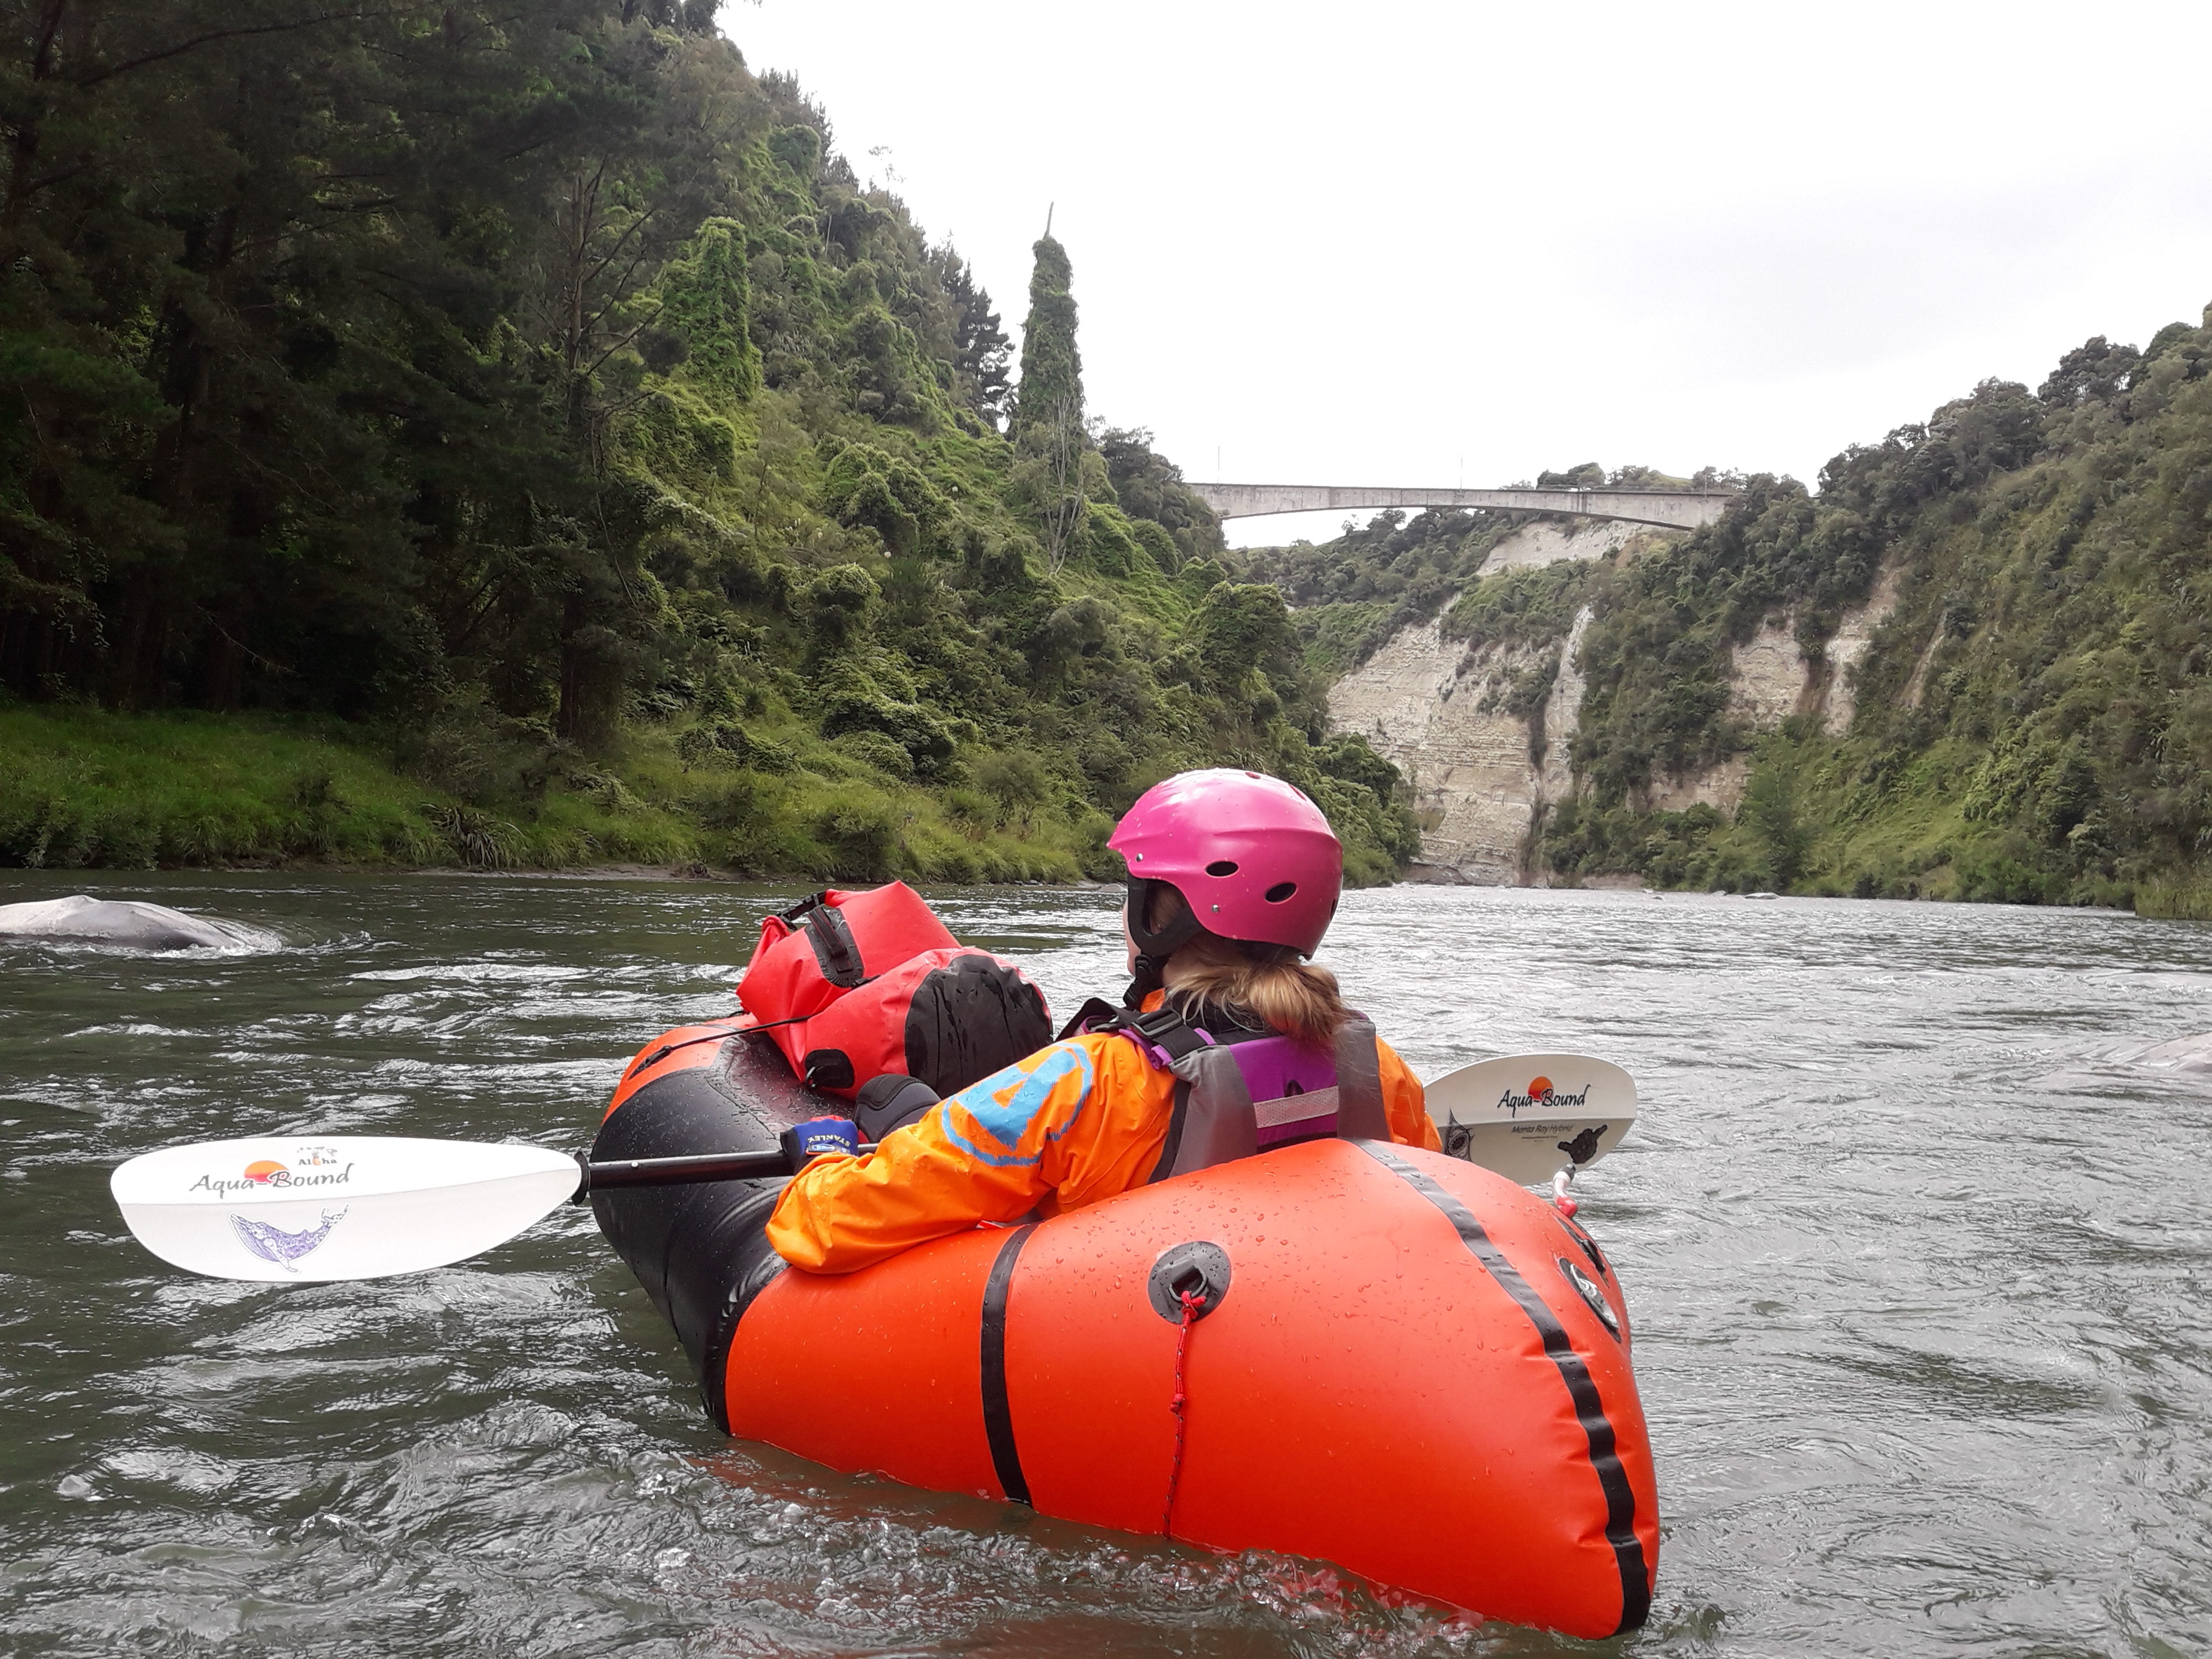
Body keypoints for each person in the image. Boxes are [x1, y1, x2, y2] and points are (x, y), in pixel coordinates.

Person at [765, 768, 1440, 1273]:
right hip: (1299, 1345)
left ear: (1161, 913)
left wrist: (822, 1162)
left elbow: (817, 1229)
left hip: (1120, 1357)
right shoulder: (1377, 1069)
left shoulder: (1081, 1085)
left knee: (894, 1103)